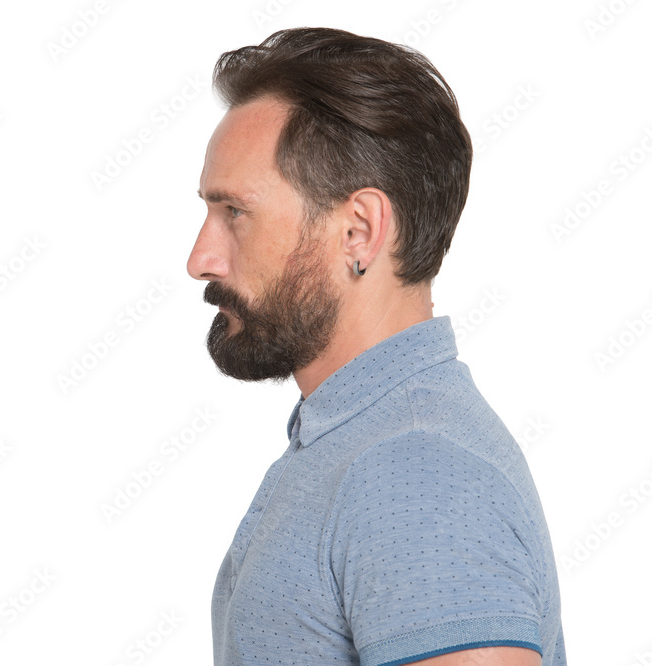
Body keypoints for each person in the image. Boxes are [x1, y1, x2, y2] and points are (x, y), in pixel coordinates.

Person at [186, 27, 566, 665]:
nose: (201, 258)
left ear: (359, 231)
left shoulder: (415, 468)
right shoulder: (363, 444)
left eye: (235, 212)